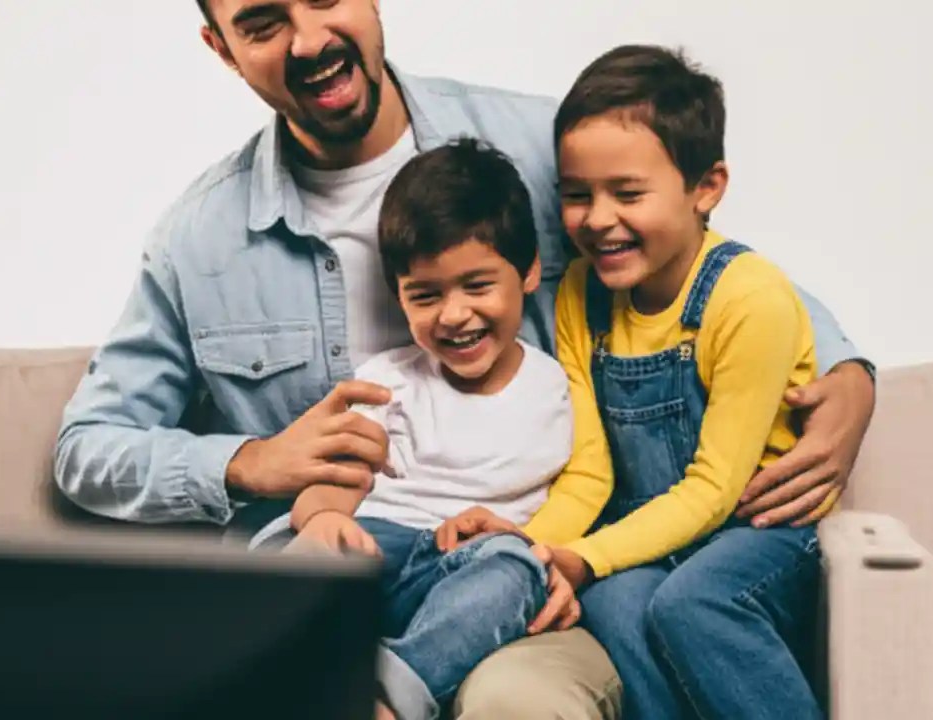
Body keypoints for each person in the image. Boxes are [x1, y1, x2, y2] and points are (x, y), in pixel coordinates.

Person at [53, 2, 876, 717]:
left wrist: (846, 374)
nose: (307, 40)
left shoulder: (535, 145)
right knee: (263, 658)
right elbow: (86, 448)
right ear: (221, 48)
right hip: (349, 558)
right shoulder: (198, 242)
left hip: (525, 566)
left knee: (520, 698)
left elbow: (700, 263)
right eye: (262, 24)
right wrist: (253, 462)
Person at [521, 45, 829, 719]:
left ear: (706, 187)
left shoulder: (751, 298)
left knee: (694, 600)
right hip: (660, 534)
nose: (598, 218)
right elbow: (591, 472)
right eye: (577, 195)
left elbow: (715, 491)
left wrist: (587, 554)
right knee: (613, 599)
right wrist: (534, 550)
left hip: (763, 530)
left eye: (628, 193)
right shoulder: (581, 291)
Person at [277, 138, 578, 720]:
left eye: (478, 286)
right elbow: (333, 479)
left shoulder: (559, 386)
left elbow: (580, 494)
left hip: (471, 566)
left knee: (518, 573)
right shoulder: (387, 381)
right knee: (293, 554)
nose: (454, 314)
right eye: (426, 295)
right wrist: (325, 518)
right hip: (376, 544)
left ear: (530, 272)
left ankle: (385, 692)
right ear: (399, 297)